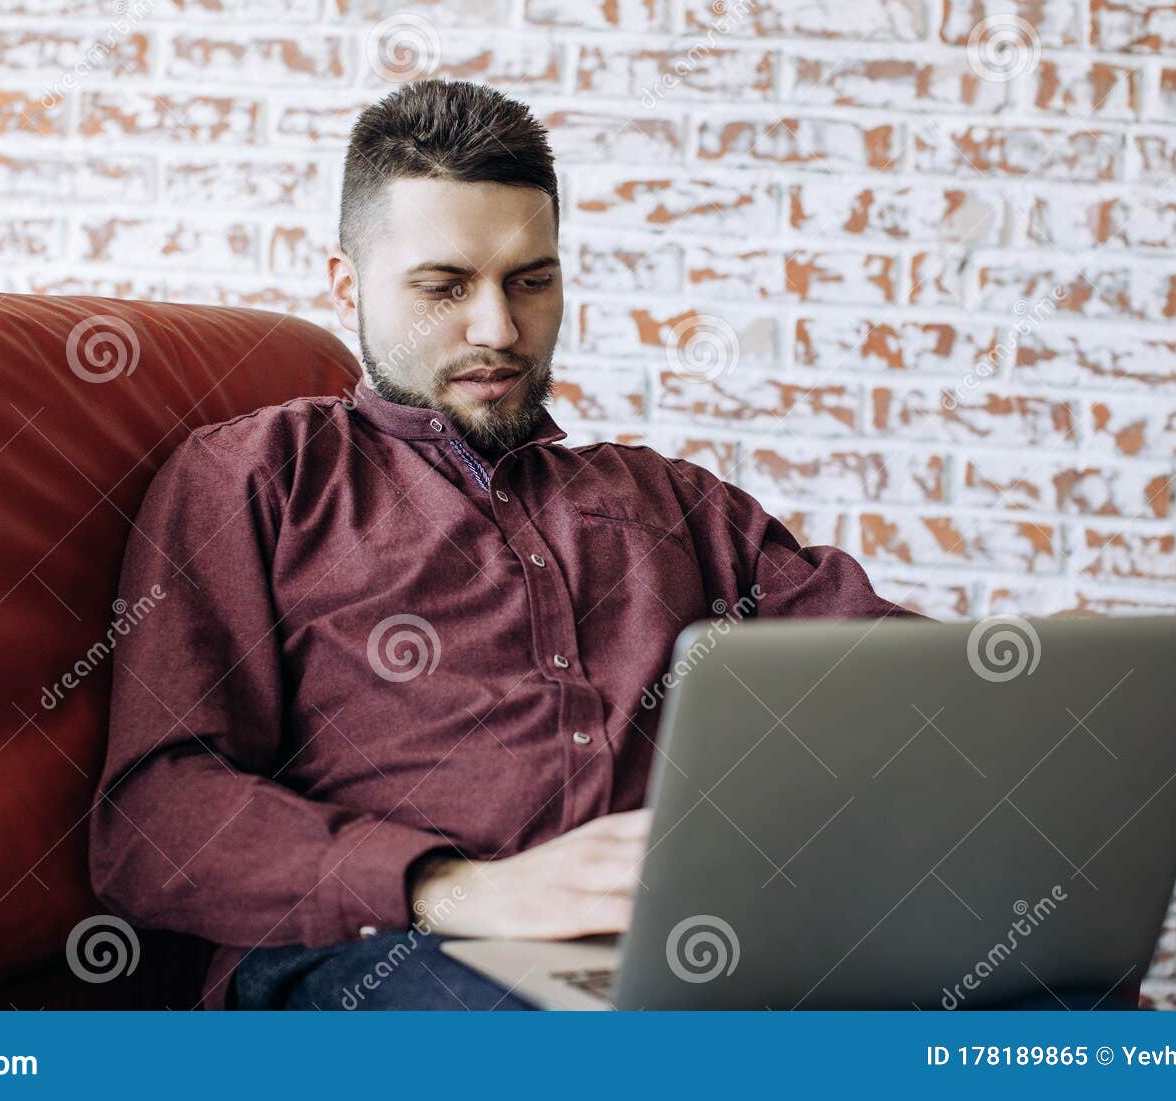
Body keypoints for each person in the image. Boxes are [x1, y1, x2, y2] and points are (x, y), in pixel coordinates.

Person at [87, 78, 937, 1012]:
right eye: (444, 287)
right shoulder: (259, 478)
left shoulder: (673, 502)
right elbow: (154, 821)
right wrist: (456, 888)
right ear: (347, 286)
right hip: (380, 960)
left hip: (671, 952)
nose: (498, 329)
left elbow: (909, 682)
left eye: (531, 281)